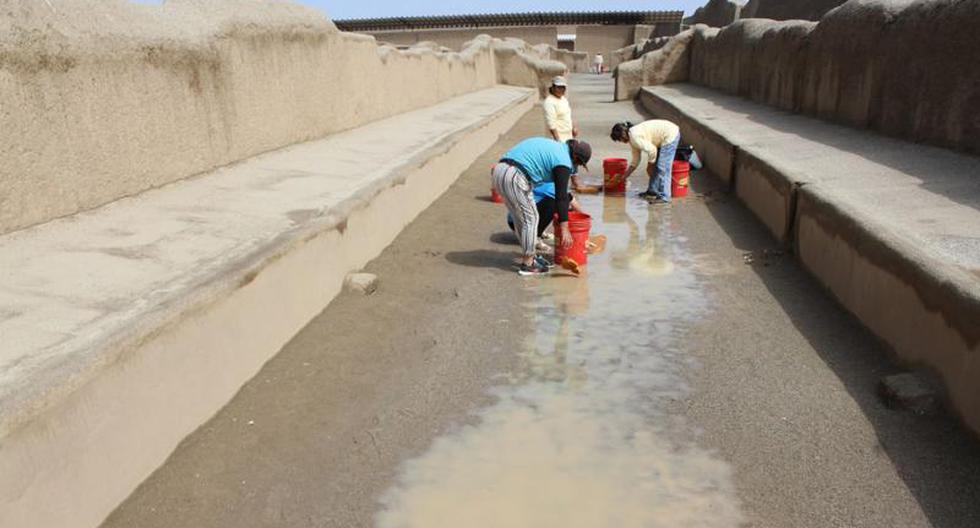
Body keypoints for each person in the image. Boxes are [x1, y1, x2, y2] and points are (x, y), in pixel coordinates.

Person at [492, 137, 592, 275]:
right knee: (531, 218)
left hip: (500, 171)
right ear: (575, 156)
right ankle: (528, 264)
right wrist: (564, 228)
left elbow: (564, 196)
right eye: (579, 163)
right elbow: (562, 196)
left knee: (521, 218)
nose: (576, 167)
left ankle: (530, 256)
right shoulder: (563, 161)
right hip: (514, 175)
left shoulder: (557, 149)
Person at [609, 119, 680, 204]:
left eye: (619, 139)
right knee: (657, 167)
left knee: (662, 167)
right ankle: (652, 191)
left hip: (670, 135)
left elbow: (652, 150)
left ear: (622, 135)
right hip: (665, 135)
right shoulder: (632, 138)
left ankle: (665, 197)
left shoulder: (634, 137)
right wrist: (624, 176)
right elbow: (636, 160)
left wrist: (649, 166)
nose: (621, 142)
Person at [542, 76, 587, 192]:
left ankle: (574, 182)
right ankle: (561, 185)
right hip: (559, 136)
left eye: (563, 88)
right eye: (558, 87)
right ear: (553, 87)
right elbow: (551, 122)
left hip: (568, 135)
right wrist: (557, 139)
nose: (561, 90)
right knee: (562, 161)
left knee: (574, 158)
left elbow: (568, 116)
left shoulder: (563, 100)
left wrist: (573, 127)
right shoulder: (549, 102)